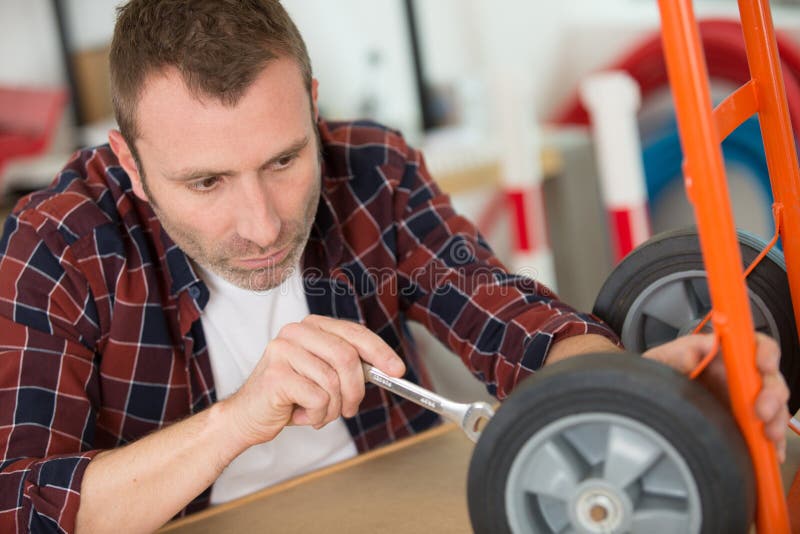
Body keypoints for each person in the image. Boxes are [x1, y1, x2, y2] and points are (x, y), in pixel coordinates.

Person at [0, 1, 788, 532]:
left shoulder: (370, 167)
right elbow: (25, 503)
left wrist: (647, 397)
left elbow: (519, 328)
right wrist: (239, 419)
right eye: (205, 182)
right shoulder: (54, 245)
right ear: (129, 164)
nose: (263, 222)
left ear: (312, 107)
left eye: (283, 159)